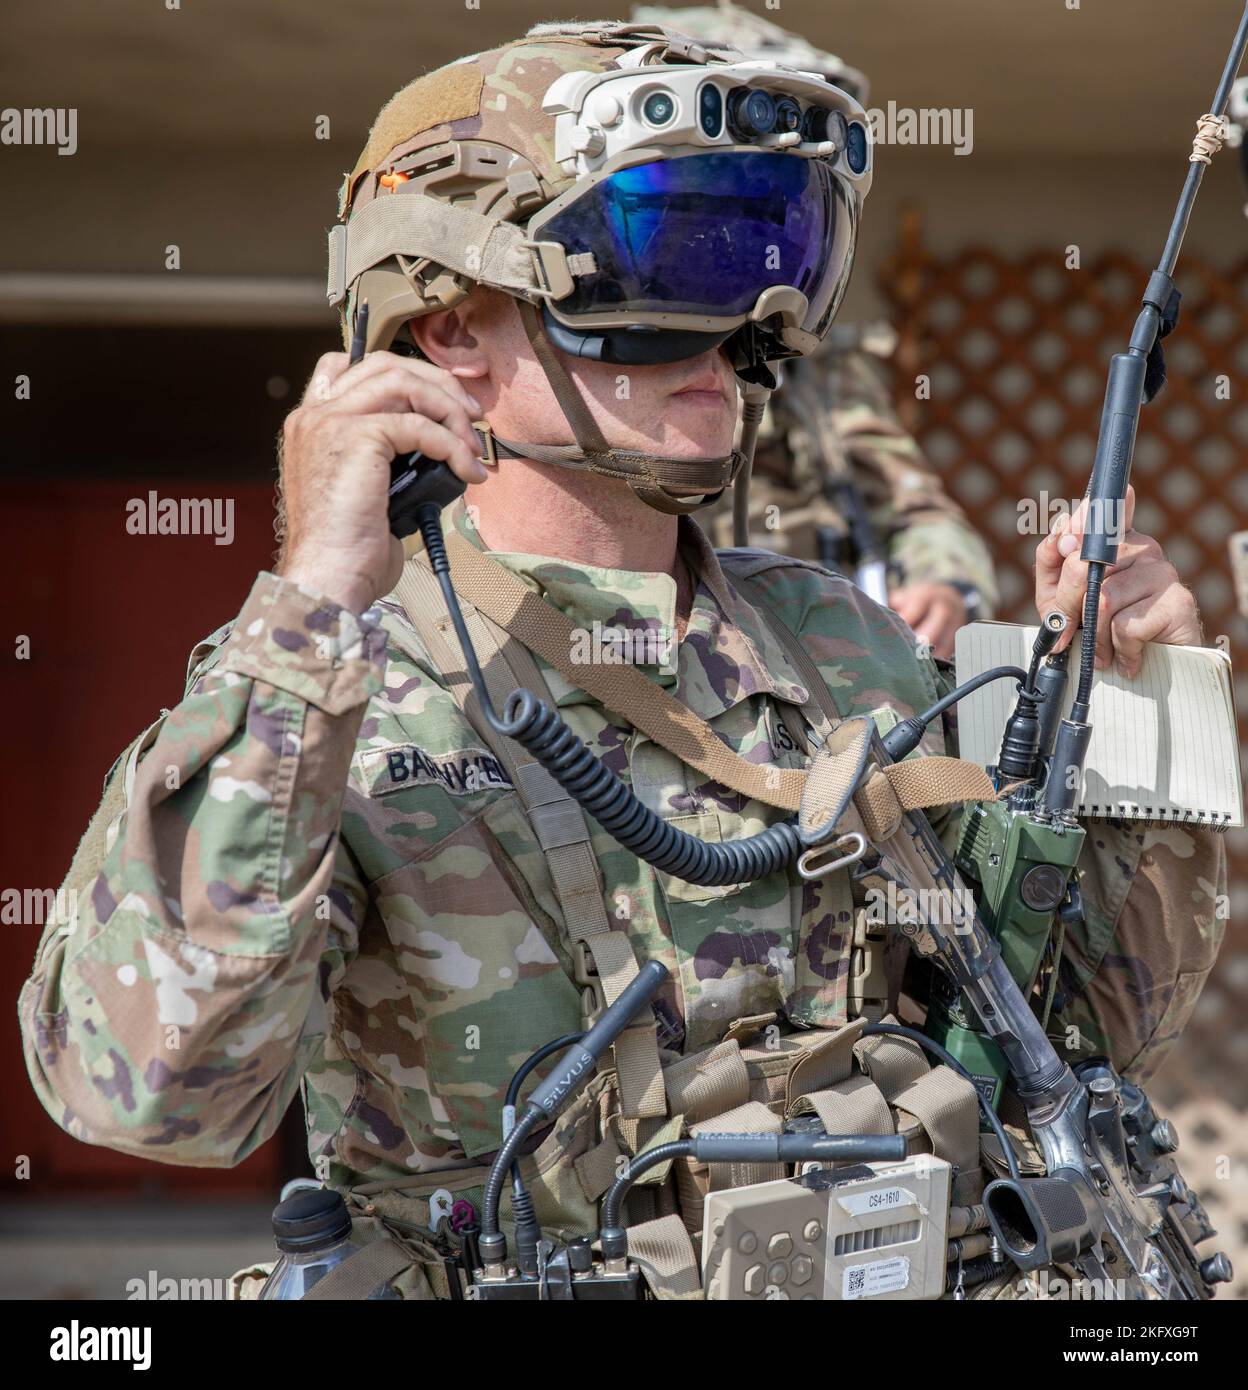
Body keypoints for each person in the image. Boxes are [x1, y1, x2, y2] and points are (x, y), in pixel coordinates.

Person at [20, 21, 1224, 1299]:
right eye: (656, 260)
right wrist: (311, 606)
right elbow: (147, 1095)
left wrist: (1152, 693)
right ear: (451, 327)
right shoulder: (341, 685)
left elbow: (1095, 1027)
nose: (735, 323)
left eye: (771, 254)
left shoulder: (843, 644)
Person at [635, 2, 998, 657]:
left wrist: (948, 593)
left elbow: (915, 509)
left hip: (806, 665)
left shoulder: (818, 363)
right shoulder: (611, 330)